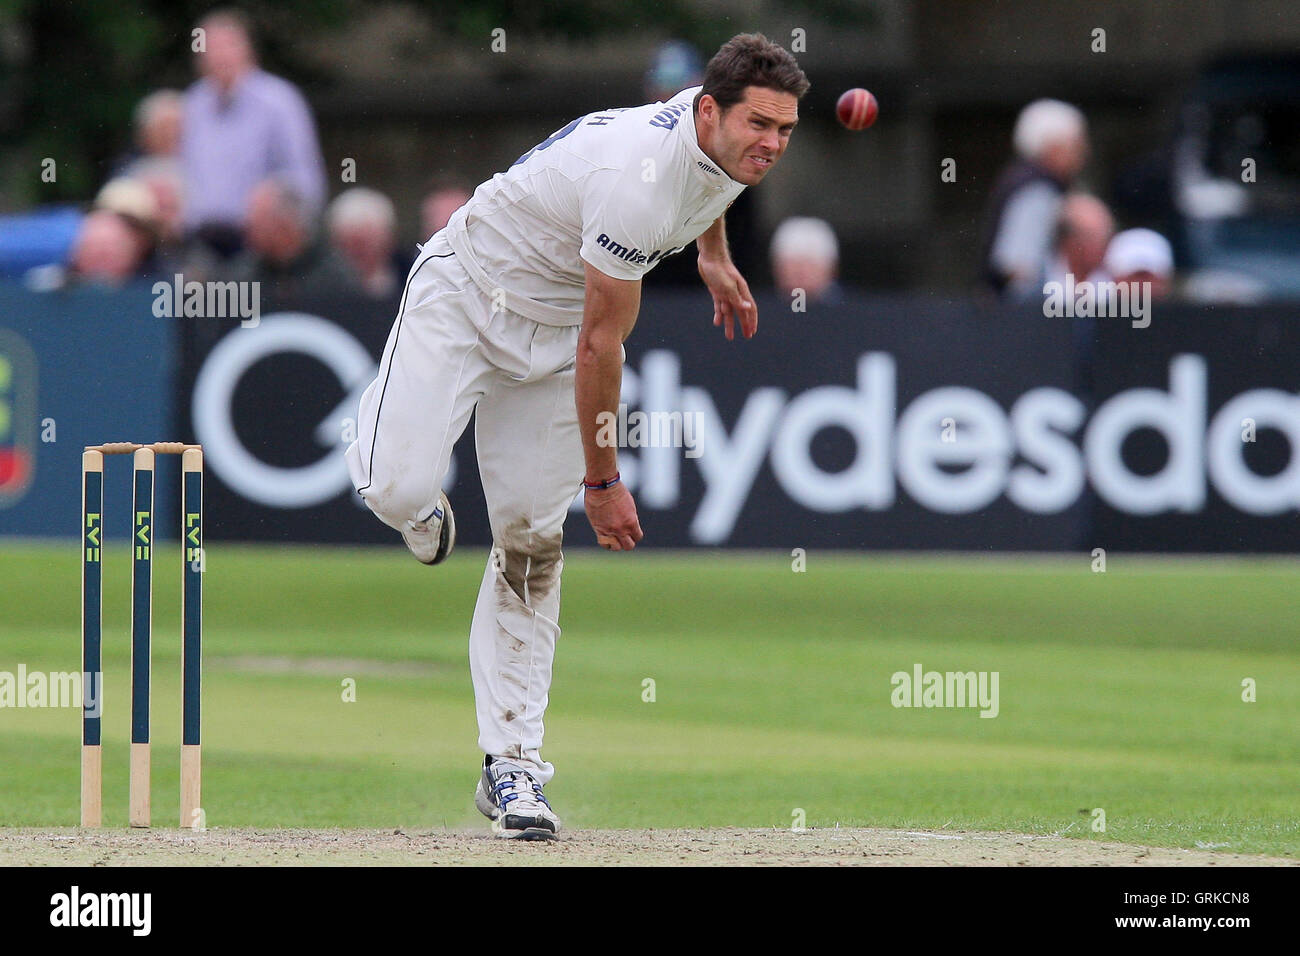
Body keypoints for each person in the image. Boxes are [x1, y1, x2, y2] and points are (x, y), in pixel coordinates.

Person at [345, 33, 808, 840]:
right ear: (708, 110)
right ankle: (421, 511)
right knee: (395, 487)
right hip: (468, 290)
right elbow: (604, 347)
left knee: (529, 541)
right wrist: (603, 482)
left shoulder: (718, 141)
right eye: (759, 125)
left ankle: (513, 766)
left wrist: (712, 254)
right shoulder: (635, 181)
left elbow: (713, 187)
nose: (771, 145)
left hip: (553, 335)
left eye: (786, 130)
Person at [180, 9, 326, 259]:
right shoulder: (192, 103)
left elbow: (305, 178)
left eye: (227, 46)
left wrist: (271, 202)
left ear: (248, 50)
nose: (219, 55)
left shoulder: (280, 101)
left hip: (257, 245)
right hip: (198, 242)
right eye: (210, 48)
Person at [981, 99, 1089, 299]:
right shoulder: (1037, 190)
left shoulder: (1029, 181)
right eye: (1076, 144)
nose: (1084, 152)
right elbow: (1019, 269)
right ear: (1053, 146)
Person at [228, 179, 352, 299]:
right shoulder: (241, 276)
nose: (248, 231)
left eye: (258, 223)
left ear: (285, 224)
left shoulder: (334, 278)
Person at [327, 188, 401, 298]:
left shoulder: (411, 276)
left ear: (388, 239)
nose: (360, 252)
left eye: (367, 243)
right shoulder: (322, 288)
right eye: (351, 244)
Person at [770, 216, 843, 304]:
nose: (801, 271)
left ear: (831, 268)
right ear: (776, 268)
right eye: (793, 264)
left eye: (810, 264)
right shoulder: (756, 312)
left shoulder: (855, 312)